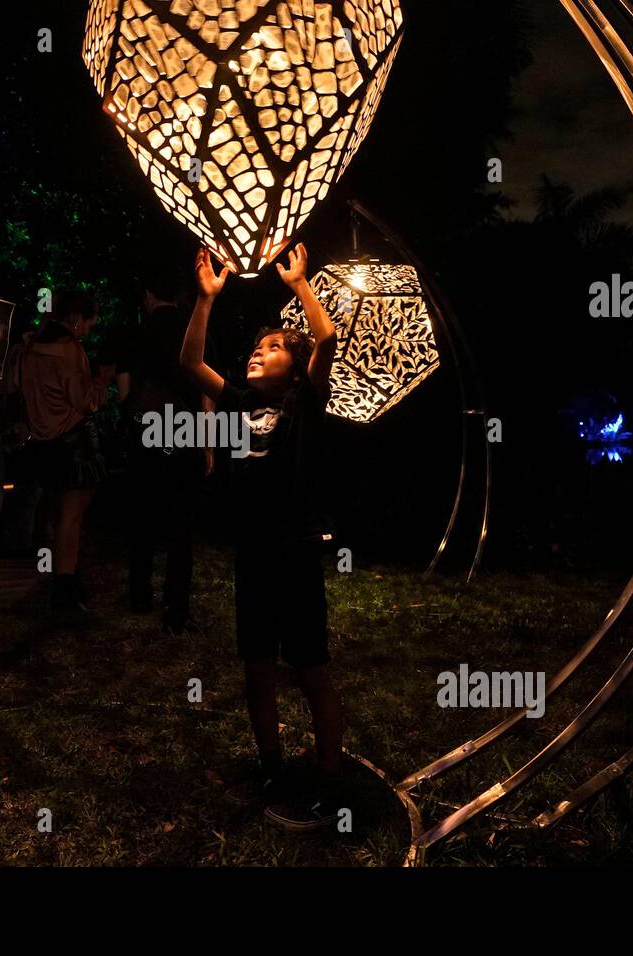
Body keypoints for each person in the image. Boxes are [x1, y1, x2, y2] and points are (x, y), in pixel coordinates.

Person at [180, 243, 348, 832]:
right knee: (257, 665)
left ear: (296, 368)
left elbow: (324, 340)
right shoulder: (242, 402)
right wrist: (204, 300)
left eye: (274, 348)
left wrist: (300, 284)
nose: (259, 352)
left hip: (295, 551)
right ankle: (271, 765)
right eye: (257, 346)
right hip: (252, 554)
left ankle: (330, 776)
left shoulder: (306, 400)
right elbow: (191, 365)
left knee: (309, 668)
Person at [117, 265, 213, 633]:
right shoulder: (195, 330)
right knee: (180, 523)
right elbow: (208, 390)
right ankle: (176, 606)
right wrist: (208, 445)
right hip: (185, 430)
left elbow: (125, 392)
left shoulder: (135, 334)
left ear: (148, 295)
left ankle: (140, 594)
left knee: (141, 517)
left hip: (145, 431)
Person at [17, 290, 113, 619]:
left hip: (44, 443)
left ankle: (68, 584)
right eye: (88, 323)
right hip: (74, 444)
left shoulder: (28, 349)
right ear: (76, 318)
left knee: (59, 520)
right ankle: (65, 594)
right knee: (71, 522)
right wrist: (103, 381)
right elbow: (83, 401)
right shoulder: (70, 351)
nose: (88, 330)